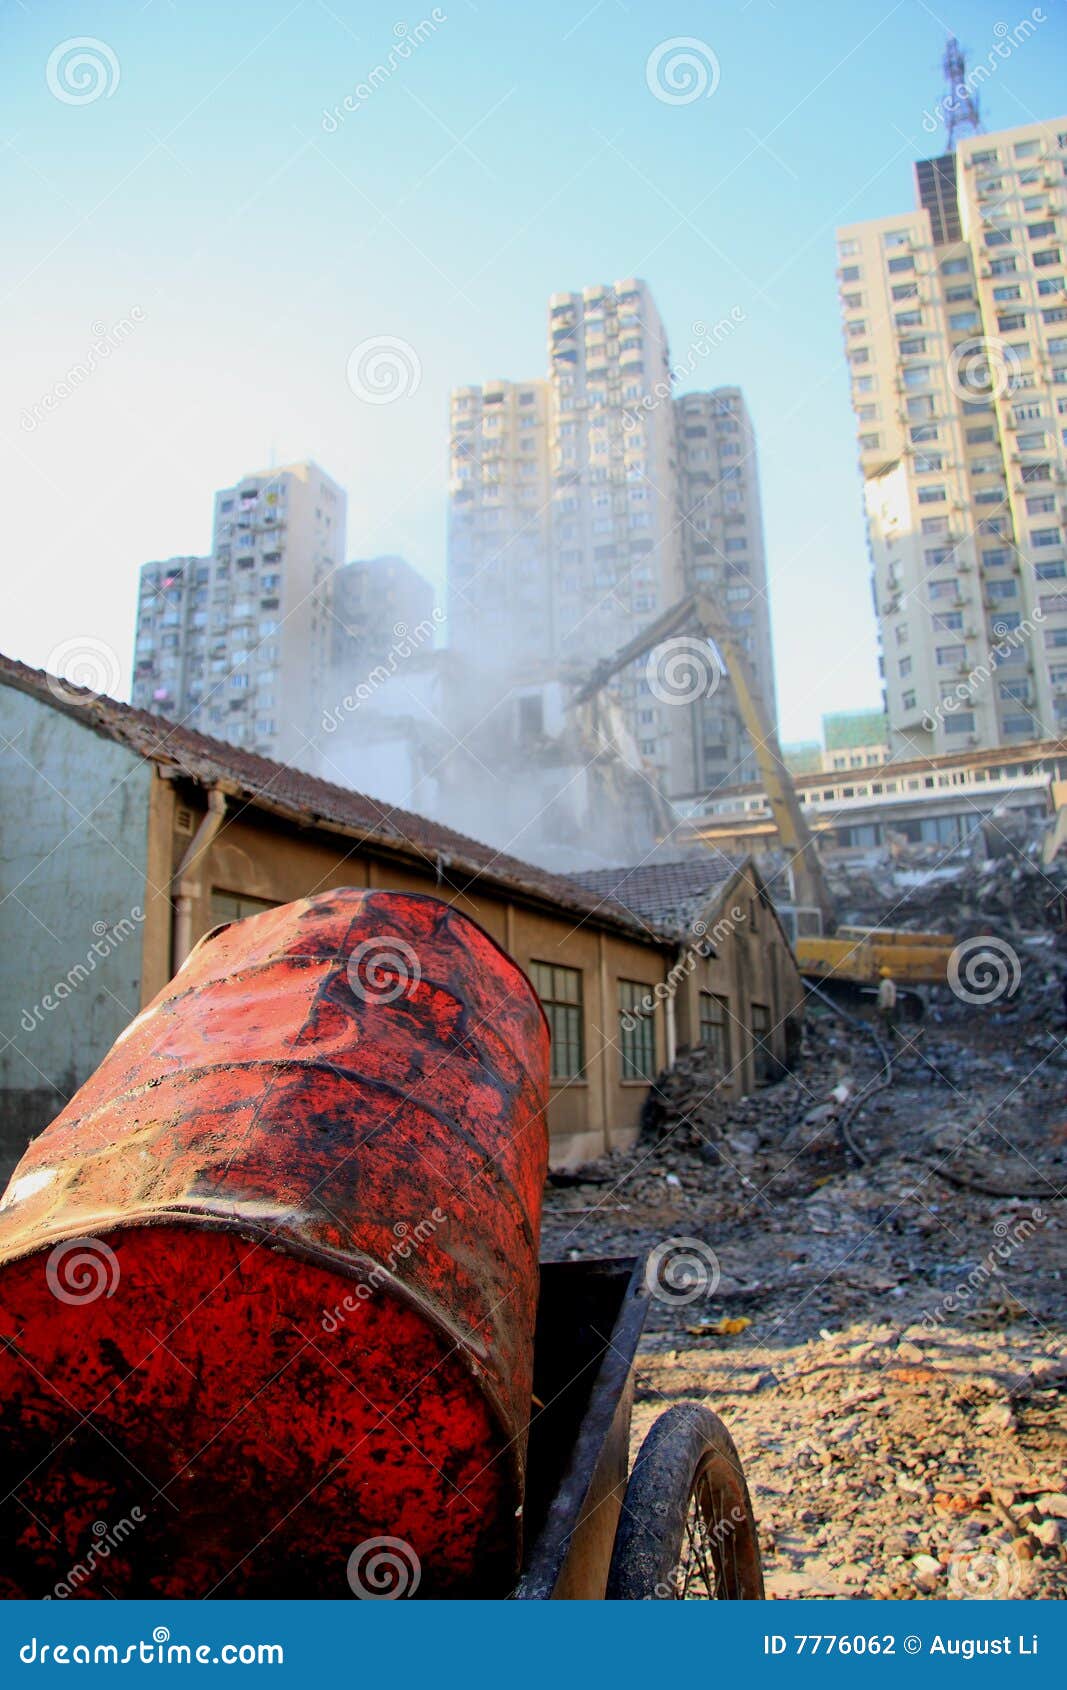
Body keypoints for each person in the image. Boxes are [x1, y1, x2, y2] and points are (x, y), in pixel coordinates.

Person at [877, 967, 898, 1043]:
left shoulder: (884, 983)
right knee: (889, 1022)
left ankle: (887, 1036)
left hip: (886, 1006)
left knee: (884, 1021)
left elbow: (884, 996)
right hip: (890, 1005)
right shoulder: (890, 982)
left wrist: (882, 1006)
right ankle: (891, 1036)